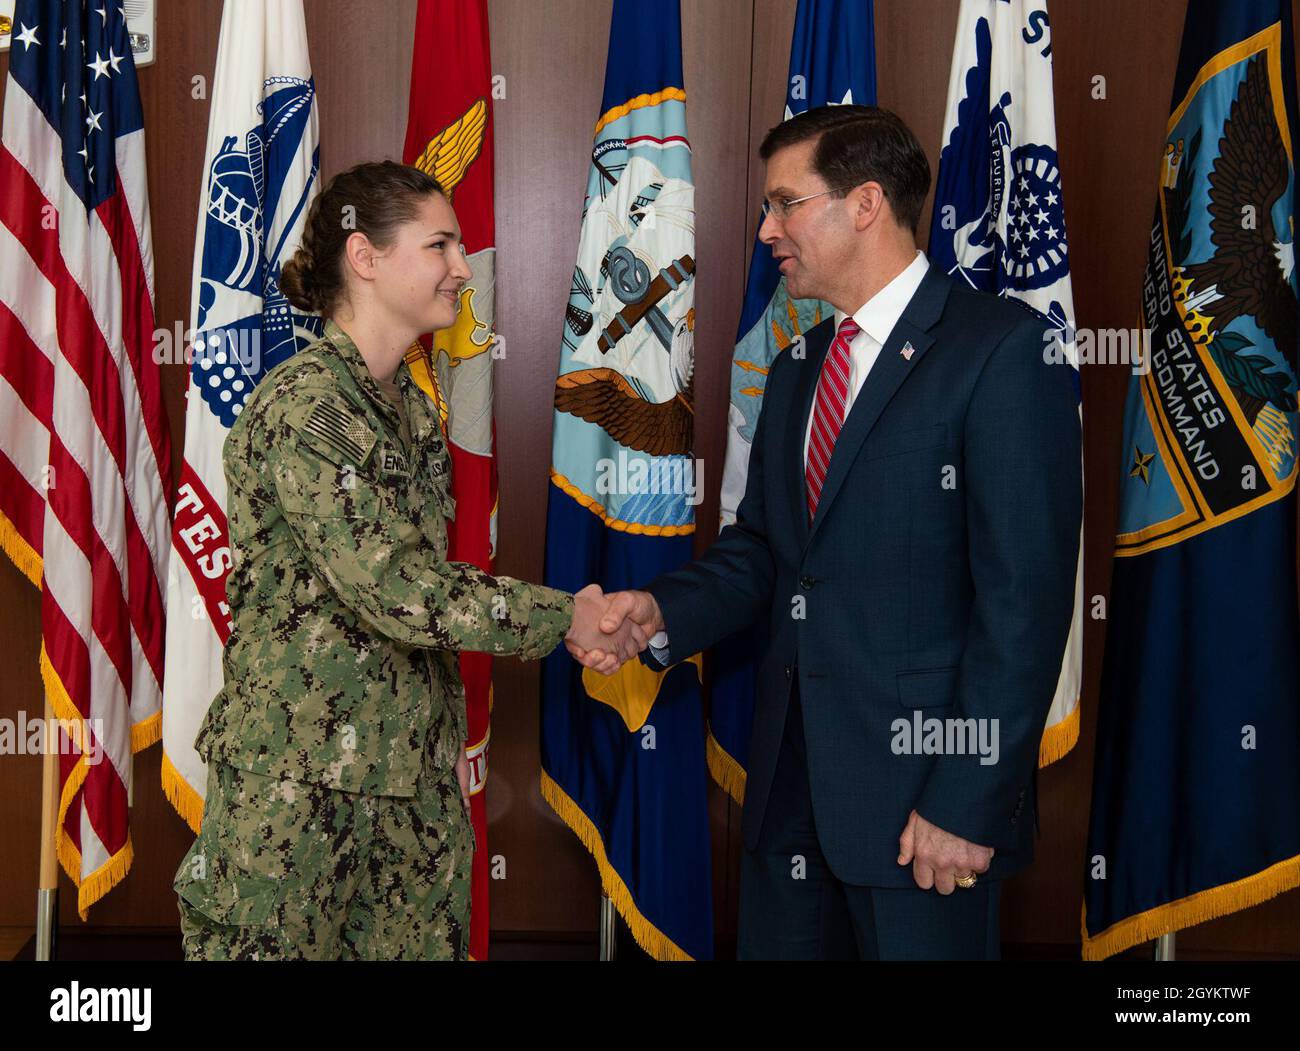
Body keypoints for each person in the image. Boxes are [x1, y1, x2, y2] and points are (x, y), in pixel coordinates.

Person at [575, 106, 1082, 960]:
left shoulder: (1001, 352)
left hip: (926, 810)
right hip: (789, 800)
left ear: (865, 204)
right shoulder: (800, 364)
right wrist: (657, 612)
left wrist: (967, 797)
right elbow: (769, 554)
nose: (766, 229)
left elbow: (1024, 604)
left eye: (783, 204)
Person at [173, 161, 639, 961]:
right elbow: (397, 588)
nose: (463, 268)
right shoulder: (307, 403)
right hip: (299, 796)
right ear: (366, 257)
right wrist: (567, 616)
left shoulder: (416, 414)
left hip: (409, 794)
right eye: (440, 245)